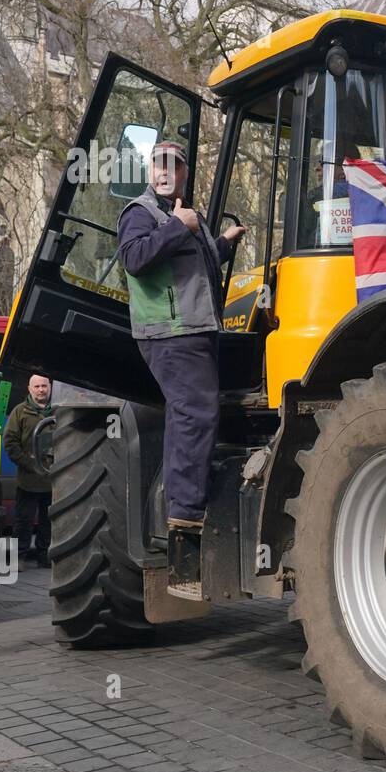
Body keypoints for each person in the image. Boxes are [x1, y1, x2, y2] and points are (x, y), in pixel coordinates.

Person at [116, 141, 245, 529]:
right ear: (150, 170)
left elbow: (195, 268)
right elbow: (134, 258)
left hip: (195, 329)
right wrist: (178, 227)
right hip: (171, 333)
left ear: (185, 172)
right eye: (159, 165)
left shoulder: (188, 215)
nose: (166, 172)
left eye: (174, 165)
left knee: (187, 412)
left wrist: (222, 243)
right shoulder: (142, 213)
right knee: (195, 413)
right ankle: (186, 513)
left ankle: (182, 506)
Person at [4, 374, 53, 565]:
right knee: (23, 521)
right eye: (37, 386)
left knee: (48, 521)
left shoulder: (58, 412)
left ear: (49, 387)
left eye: (44, 386)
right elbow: (10, 442)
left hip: (52, 480)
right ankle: (19, 557)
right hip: (28, 480)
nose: (41, 390)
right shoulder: (20, 412)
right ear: (29, 388)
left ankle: (44, 556)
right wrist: (28, 463)